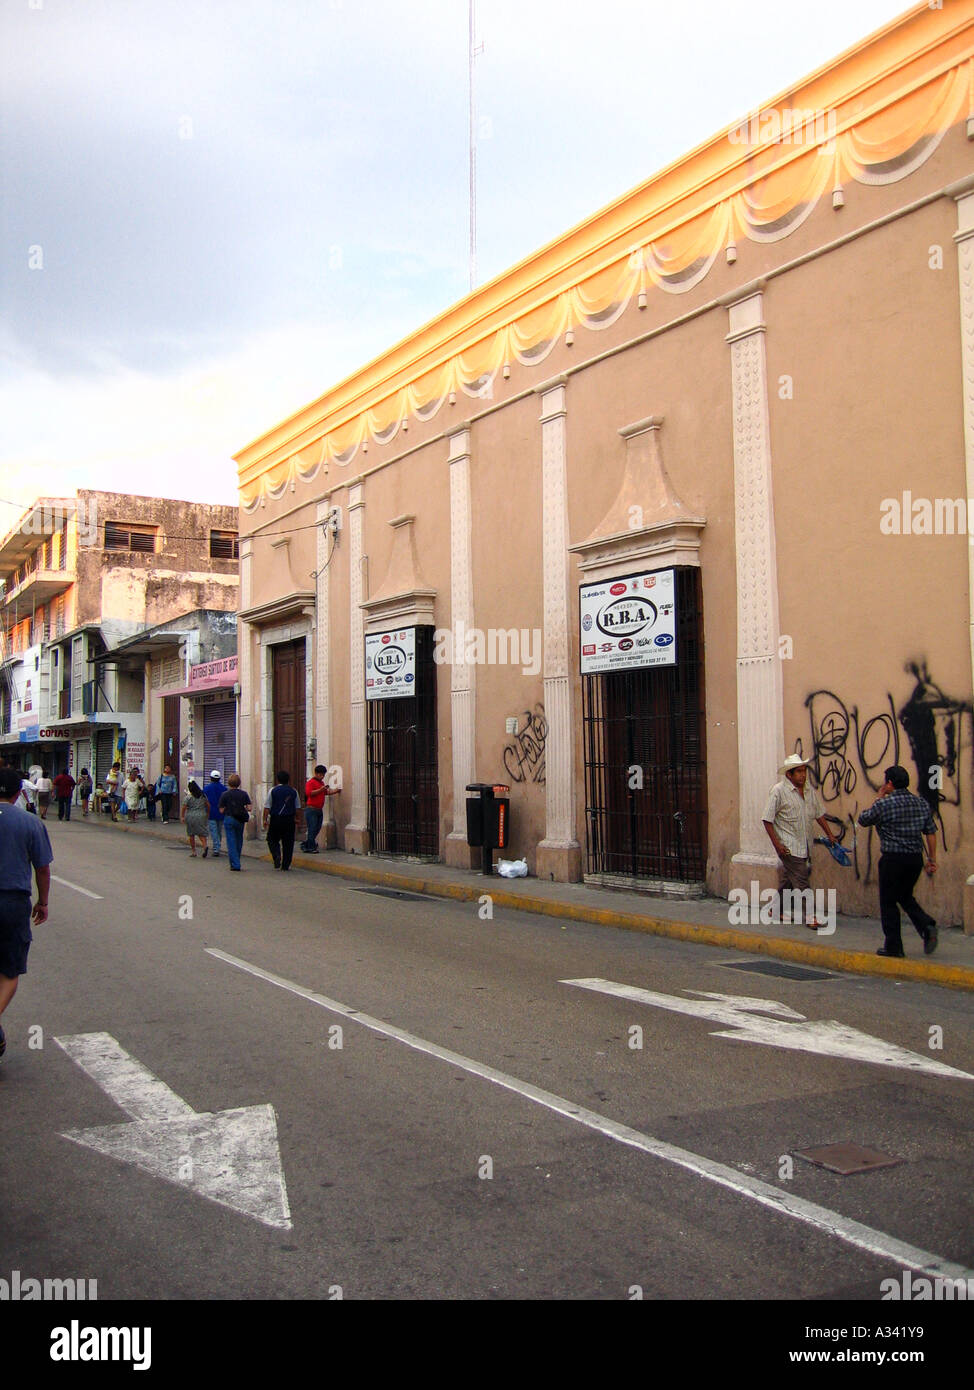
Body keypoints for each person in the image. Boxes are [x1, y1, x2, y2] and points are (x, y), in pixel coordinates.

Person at [0, 765, 53, 1060]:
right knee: (9, 971)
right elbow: (42, 869)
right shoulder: (31, 823)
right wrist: (43, 902)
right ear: (19, 793)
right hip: (12, 902)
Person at [858, 765, 938, 958]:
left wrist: (879, 796)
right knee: (904, 896)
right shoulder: (921, 803)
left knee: (888, 901)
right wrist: (931, 859)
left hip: (892, 859)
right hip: (914, 860)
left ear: (890, 783)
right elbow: (931, 832)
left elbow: (864, 819)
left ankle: (894, 945)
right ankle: (926, 925)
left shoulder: (884, 804)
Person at [762, 753, 839, 930]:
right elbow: (767, 819)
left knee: (790, 878)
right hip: (789, 846)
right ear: (789, 774)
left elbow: (818, 813)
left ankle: (775, 909)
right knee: (802, 881)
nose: (802, 775)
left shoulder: (808, 790)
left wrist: (829, 834)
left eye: (804, 771)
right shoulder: (779, 791)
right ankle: (811, 917)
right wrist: (778, 845)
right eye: (798, 772)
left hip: (804, 844)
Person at [262, 770, 302, 871]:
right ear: (288, 780)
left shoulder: (273, 790)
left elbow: (267, 807)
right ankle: (286, 864)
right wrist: (298, 818)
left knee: (271, 839)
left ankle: (276, 854)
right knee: (288, 842)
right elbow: (297, 807)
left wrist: (265, 820)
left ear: (277, 780)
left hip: (276, 819)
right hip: (289, 820)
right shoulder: (294, 791)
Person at [218, 774, 252, 871]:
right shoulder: (244, 794)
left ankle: (235, 863)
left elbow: (221, 810)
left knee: (231, 841)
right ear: (239, 783)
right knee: (239, 840)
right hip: (240, 819)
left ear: (229, 783)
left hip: (229, 818)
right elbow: (249, 807)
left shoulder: (225, 794)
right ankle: (236, 860)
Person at [301, 765, 337, 852]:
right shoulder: (311, 782)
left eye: (323, 775)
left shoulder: (321, 783)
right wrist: (320, 790)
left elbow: (325, 793)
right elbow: (309, 793)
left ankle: (307, 844)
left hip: (319, 809)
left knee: (317, 828)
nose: (322, 777)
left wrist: (335, 791)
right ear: (316, 774)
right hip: (311, 809)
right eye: (320, 775)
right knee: (312, 828)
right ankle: (311, 847)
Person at [181, 780, 209, 857]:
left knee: (191, 834)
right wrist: (207, 813)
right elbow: (208, 805)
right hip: (201, 815)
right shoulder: (203, 796)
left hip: (191, 816)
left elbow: (184, 807)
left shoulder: (188, 797)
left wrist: (182, 816)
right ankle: (205, 846)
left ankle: (194, 851)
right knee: (202, 833)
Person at [203, 771, 227, 857]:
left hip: (211, 813)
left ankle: (216, 848)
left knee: (214, 831)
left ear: (211, 778)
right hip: (221, 813)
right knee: (219, 830)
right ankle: (217, 846)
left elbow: (204, 800)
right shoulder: (224, 789)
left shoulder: (206, 788)